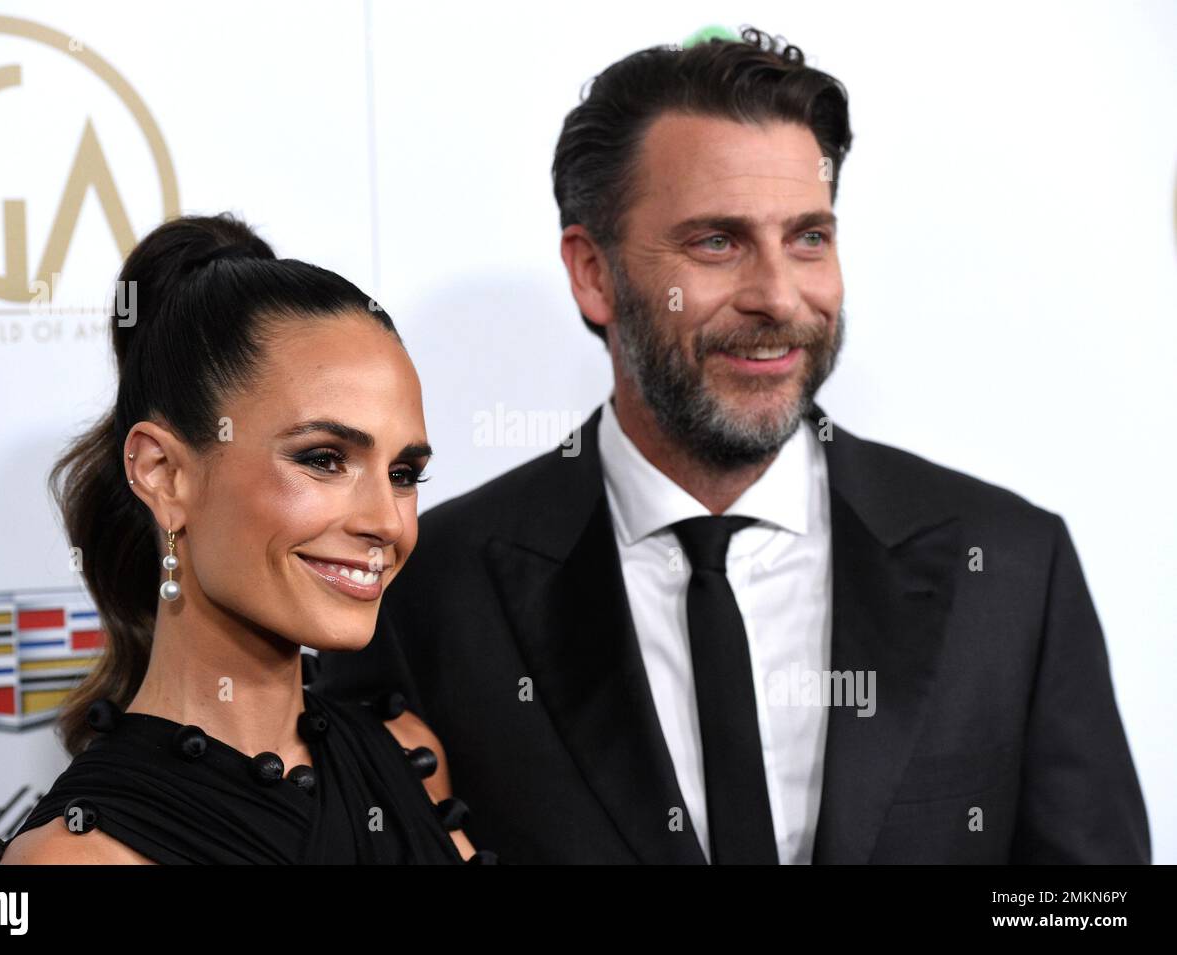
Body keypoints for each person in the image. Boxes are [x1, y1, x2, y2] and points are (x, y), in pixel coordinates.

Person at [314, 28, 1150, 863]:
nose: (779, 296)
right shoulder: (433, 589)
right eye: (717, 242)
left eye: (808, 238)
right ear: (593, 273)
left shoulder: (1006, 566)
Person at [0, 213, 494, 865]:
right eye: (324, 458)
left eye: (404, 473)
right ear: (164, 473)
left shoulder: (407, 757)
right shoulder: (82, 856)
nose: (386, 521)